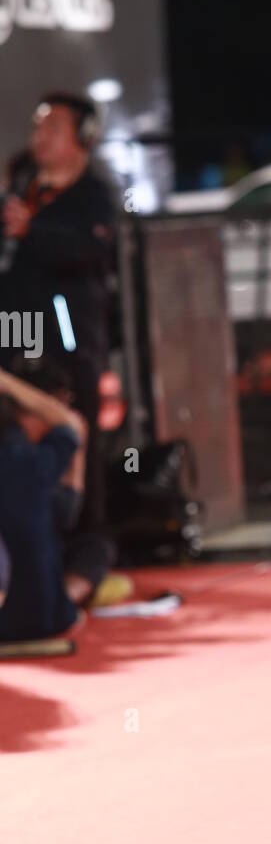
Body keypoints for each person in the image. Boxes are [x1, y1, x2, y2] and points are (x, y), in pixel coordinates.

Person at [0, 91, 118, 597]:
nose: (39, 135)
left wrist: (34, 231)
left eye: (53, 126)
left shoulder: (94, 194)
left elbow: (95, 251)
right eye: (37, 125)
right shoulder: (20, 185)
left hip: (70, 350)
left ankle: (84, 567)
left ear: (83, 139)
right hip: (13, 345)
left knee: (78, 450)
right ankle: (24, 569)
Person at [0, 363, 87, 642]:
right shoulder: (29, 462)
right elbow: (70, 426)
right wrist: (6, 382)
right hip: (47, 619)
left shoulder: (29, 462)